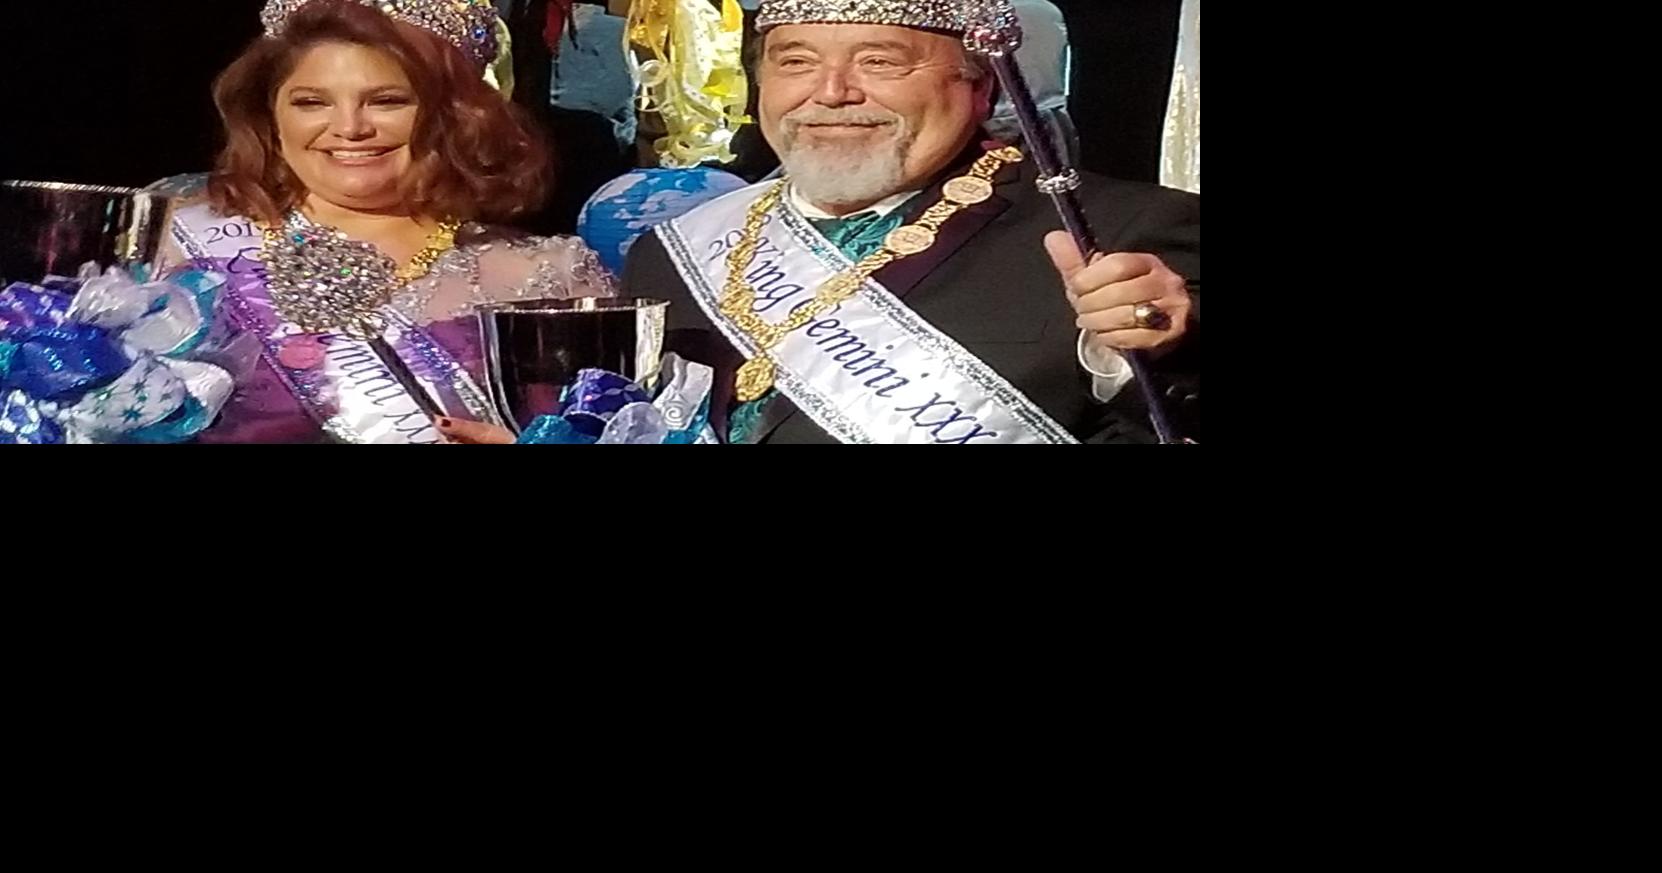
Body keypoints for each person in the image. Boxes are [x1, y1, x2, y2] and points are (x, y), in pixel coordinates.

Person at [617, 0, 1201, 444]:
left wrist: (1150, 356)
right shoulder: (669, 253)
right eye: (795, 62)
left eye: (880, 62)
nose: (831, 93)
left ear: (980, 86)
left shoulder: (1119, 231)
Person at [168, 0, 615, 443]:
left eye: (386, 101)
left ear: (454, 114)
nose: (349, 128)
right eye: (311, 102)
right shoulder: (180, 250)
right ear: (270, 117)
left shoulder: (548, 277)